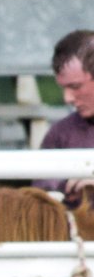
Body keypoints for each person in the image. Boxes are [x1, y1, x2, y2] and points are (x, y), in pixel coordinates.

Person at [33, 29, 94, 201]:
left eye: (75, 87)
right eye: (64, 88)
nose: (67, 98)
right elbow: (41, 200)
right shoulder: (60, 134)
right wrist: (63, 192)